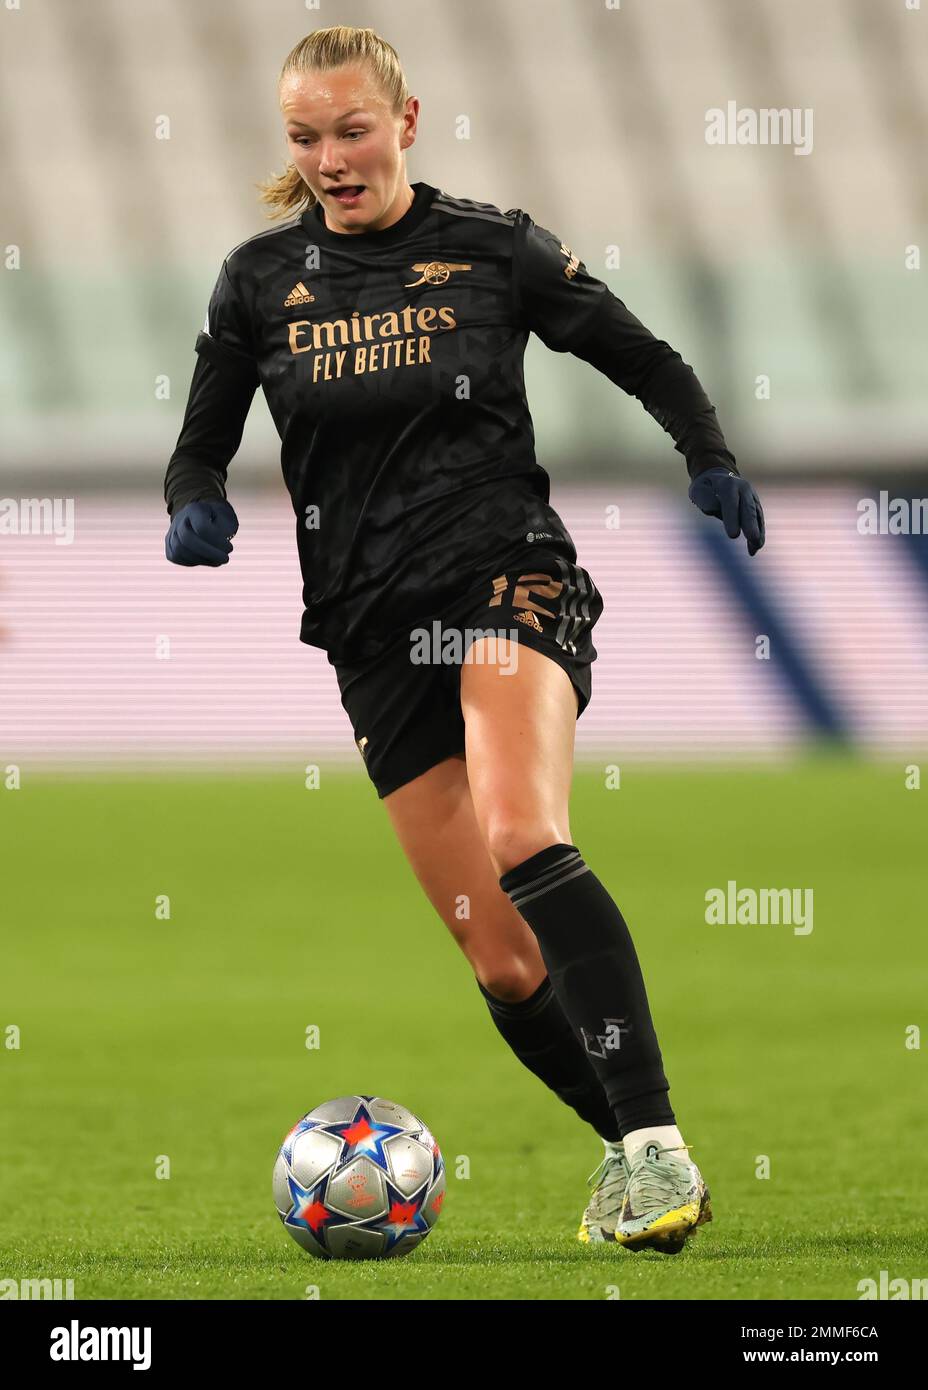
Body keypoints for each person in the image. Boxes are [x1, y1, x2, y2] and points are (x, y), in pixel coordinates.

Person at [163, 25, 764, 1253]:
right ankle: (641, 1159)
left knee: (523, 828)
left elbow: (640, 353)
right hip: (368, 628)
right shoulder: (256, 280)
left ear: (405, 120)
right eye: (303, 136)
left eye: (350, 128)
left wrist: (706, 452)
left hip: (506, 579)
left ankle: (654, 1146)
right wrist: (196, 498)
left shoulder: (494, 248)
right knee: (498, 959)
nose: (329, 156)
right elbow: (201, 434)